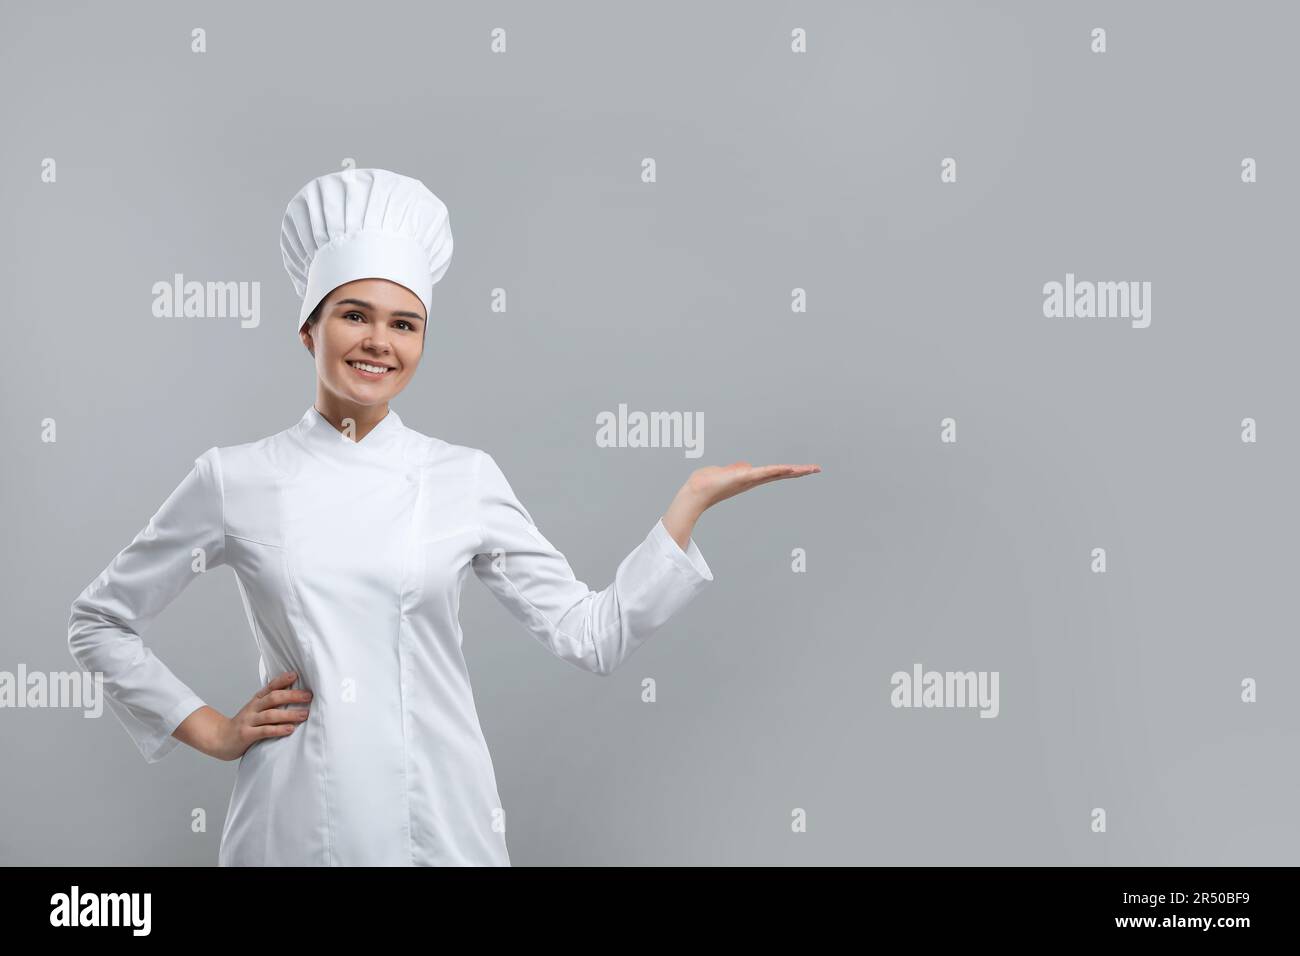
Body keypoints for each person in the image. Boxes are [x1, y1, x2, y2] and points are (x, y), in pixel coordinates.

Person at [66, 167, 821, 866]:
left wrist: (688, 505)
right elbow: (99, 620)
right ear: (309, 330)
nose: (378, 342)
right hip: (293, 822)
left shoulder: (463, 477)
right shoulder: (236, 478)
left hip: (445, 823)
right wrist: (213, 730)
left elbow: (591, 635)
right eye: (354, 315)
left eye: (405, 324)